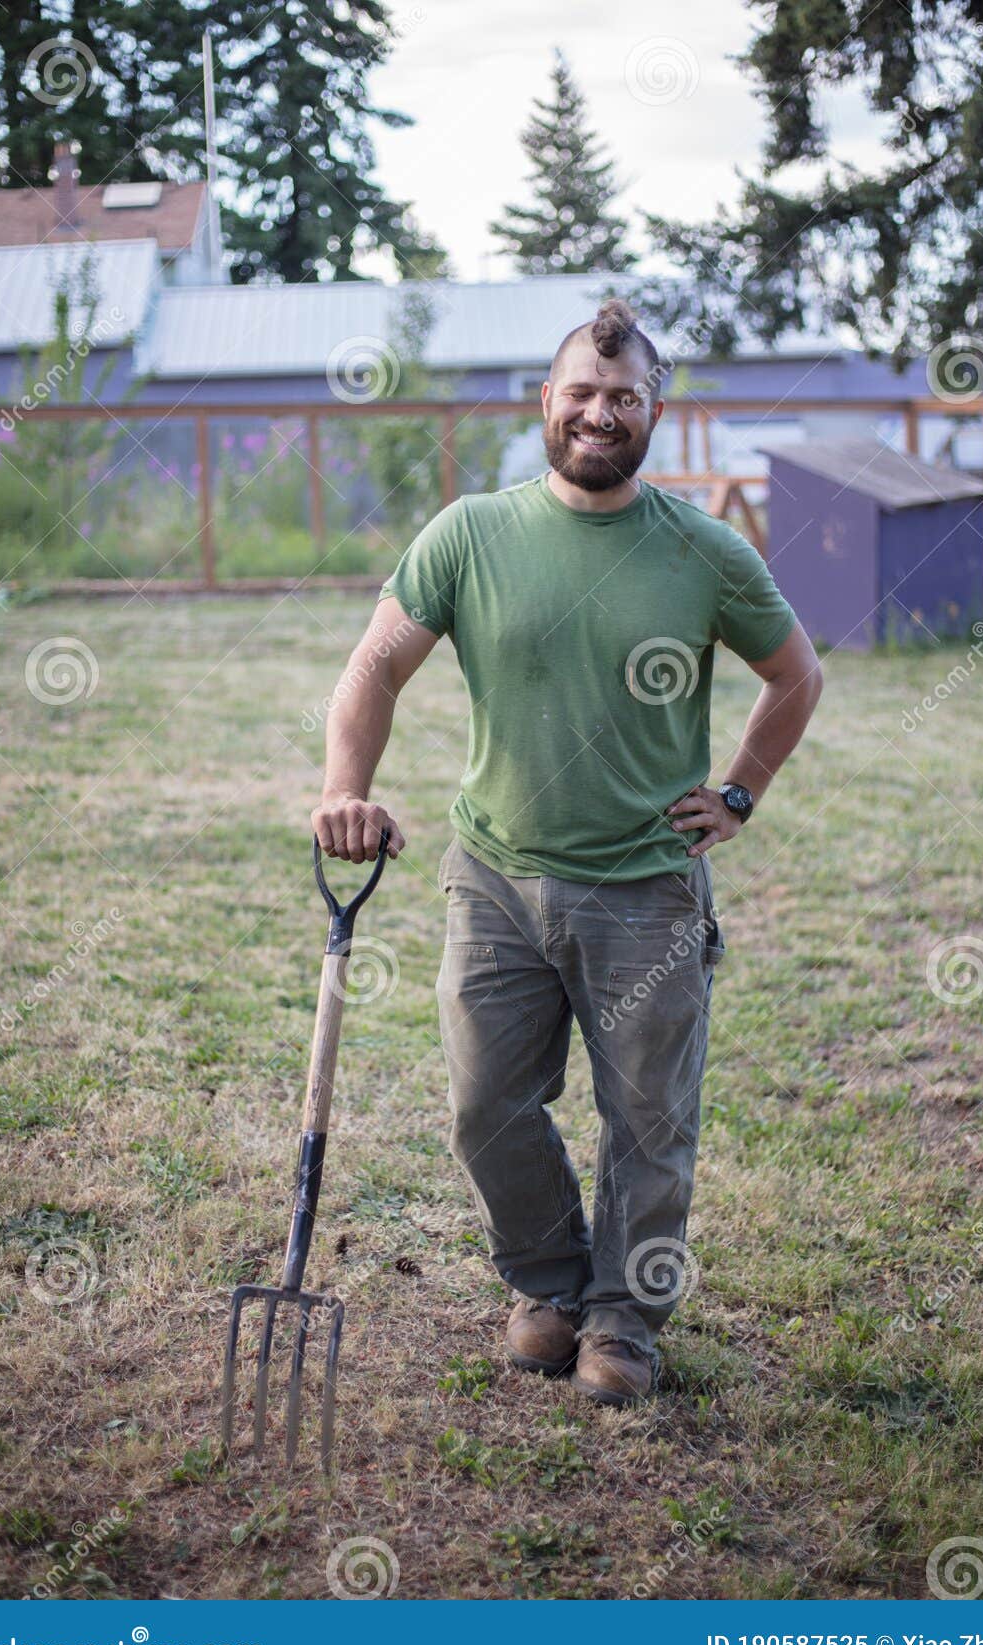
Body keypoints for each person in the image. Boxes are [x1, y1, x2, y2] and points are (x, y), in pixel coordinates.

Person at [312, 298, 823, 1405]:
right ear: (546, 402)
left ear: (653, 412)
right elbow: (371, 667)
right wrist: (343, 788)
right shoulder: (469, 534)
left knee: (647, 1117)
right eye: (580, 394)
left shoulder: (702, 552)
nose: (599, 413)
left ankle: (624, 1321)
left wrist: (738, 790)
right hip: (493, 876)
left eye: (622, 397)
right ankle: (545, 1287)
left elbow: (795, 675)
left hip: (643, 886)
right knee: (483, 1104)